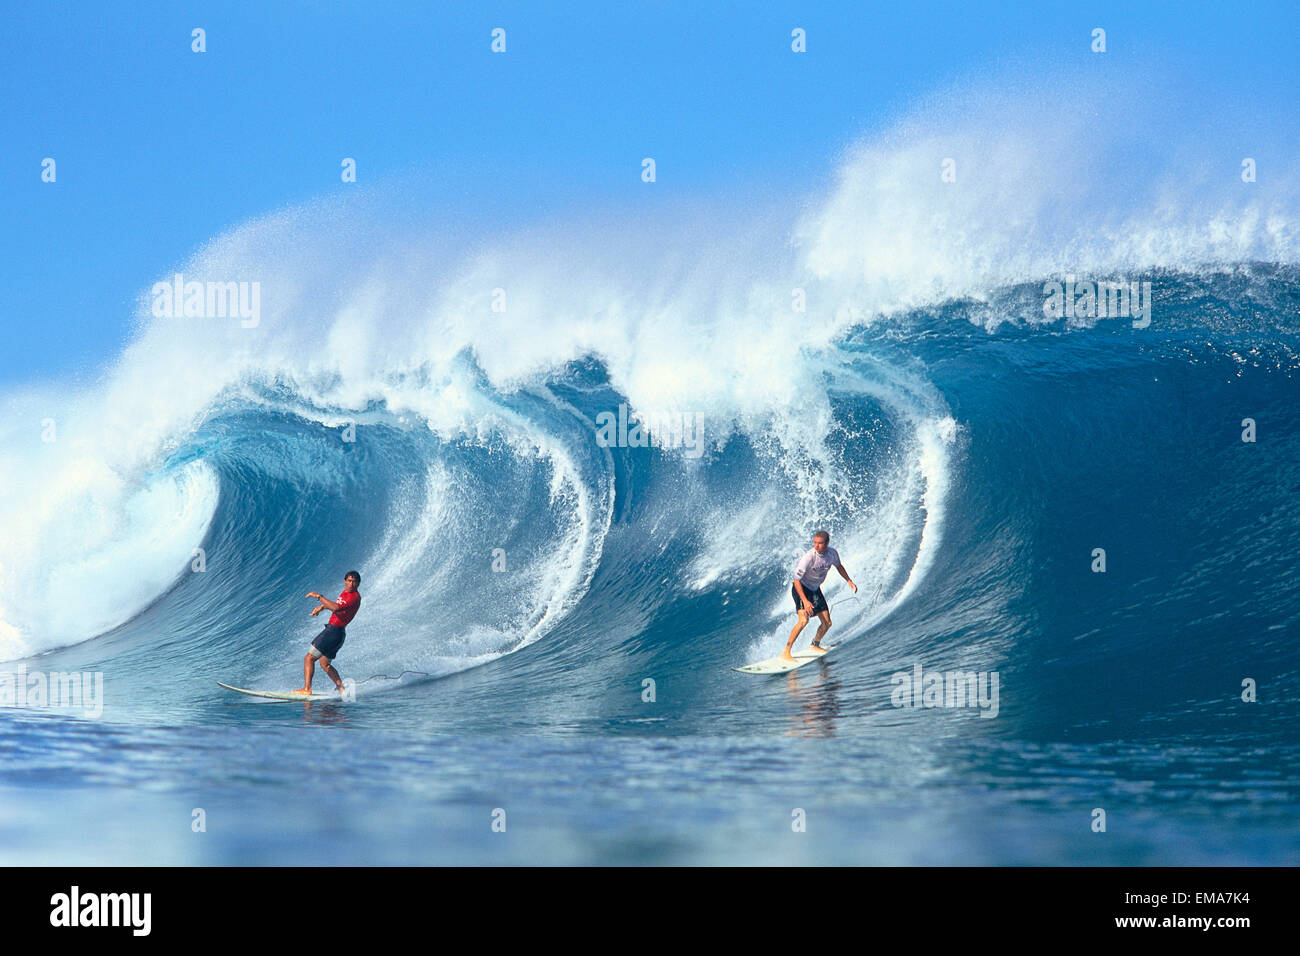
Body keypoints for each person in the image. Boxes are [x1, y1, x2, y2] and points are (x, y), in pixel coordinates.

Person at [782, 531, 855, 662]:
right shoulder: (809, 557)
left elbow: (839, 566)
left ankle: (815, 644)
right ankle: (786, 652)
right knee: (803, 621)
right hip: (801, 589)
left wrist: (849, 580)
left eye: (820, 543)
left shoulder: (832, 554)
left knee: (827, 623)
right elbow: (796, 580)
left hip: (815, 589)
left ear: (827, 543)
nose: (816, 546)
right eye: (815, 542)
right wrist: (805, 600)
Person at [293, 570, 362, 695]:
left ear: (358, 584)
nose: (351, 584)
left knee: (309, 658)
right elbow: (337, 607)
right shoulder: (345, 593)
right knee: (325, 664)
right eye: (349, 581)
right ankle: (341, 688)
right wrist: (322, 607)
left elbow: (336, 608)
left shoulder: (354, 596)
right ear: (345, 581)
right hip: (339, 634)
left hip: (333, 632)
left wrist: (319, 597)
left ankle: (307, 689)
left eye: (354, 582)